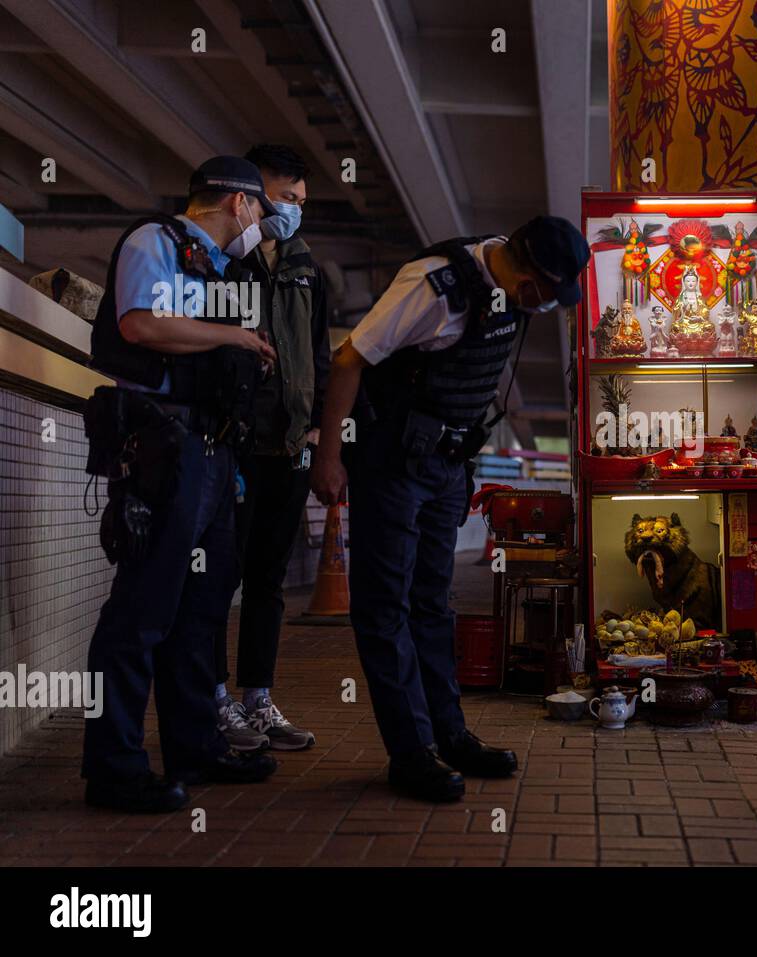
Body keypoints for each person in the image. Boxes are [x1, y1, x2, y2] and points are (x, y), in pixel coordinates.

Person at [311, 217, 590, 802]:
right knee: (384, 607)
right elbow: (347, 360)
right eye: (547, 293)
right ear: (531, 276)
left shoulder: (508, 296)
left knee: (432, 606)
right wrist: (330, 457)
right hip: (390, 461)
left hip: (443, 464)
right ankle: (410, 753)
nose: (543, 308)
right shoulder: (432, 285)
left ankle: (451, 734)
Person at [82, 156, 281, 813]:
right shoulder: (154, 241)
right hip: (166, 445)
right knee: (141, 611)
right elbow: (139, 323)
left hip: (214, 452)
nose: (261, 223)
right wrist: (235, 336)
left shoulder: (219, 268)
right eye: (260, 209)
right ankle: (114, 767)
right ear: (236, 204)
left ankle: (195, 746)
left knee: (200, 611)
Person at [213, 145, 330, 753]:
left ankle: (257, 699)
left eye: (301, 203)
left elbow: (321, 355)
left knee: (266, 581)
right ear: (252, 191)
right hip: (227, 444)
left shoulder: (306, 266)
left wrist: (315, 433)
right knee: (213, 577)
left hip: (286, 448)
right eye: (287, 199)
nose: (294, 212)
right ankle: (212, 700)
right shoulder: (218, 261)